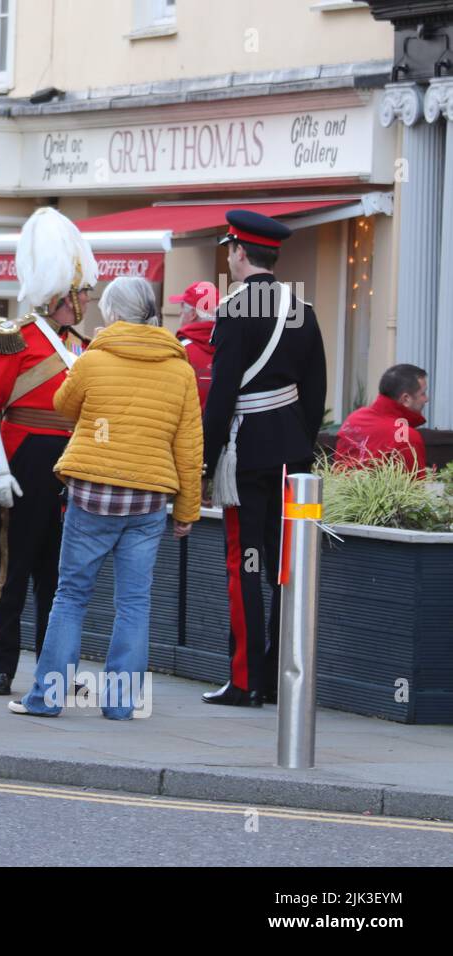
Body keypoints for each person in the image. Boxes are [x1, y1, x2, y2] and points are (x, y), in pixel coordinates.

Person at [8, 277, 202, 720]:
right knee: (134, 603)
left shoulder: (93, 359)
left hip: (92, 492)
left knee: (71, 596)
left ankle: (47, 698)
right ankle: (119, 705)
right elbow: (189, 445)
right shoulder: (180, 368)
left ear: (113, 314)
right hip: (149, 498)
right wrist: (187, 510)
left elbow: (63, 405)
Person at [201, 210, 327, 707]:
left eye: (229, 250)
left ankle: (245, 678)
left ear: (237, 251)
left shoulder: (234, 310)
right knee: (285, 568)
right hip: (292, 459)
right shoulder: (304, 309)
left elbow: (222, 394)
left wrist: (208, 464)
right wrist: (299, 444)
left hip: (247, 457)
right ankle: (277, 677)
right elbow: (315, 393)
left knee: (245, 565)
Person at [0, 207, 92, 696]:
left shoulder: (83, 346)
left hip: (69, 464)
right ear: (62, 296)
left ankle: (55, 666)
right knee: (15, 566)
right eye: (81, 292)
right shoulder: (14, 339)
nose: (87, 299)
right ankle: (0, 665)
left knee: (59, 572)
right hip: (24, 459)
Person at [334, 364, 429, 476]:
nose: (426, 399)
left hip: (341, 492)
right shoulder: (406, 436)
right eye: (423, 393)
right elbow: (414, 489)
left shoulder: (355, 418)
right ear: (406, 399)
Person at [171, 280, 219, 409]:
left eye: (182, 308)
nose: (180, 314)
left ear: (192, 314)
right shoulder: (231, 347)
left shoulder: (178, 349)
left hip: (188, 426)